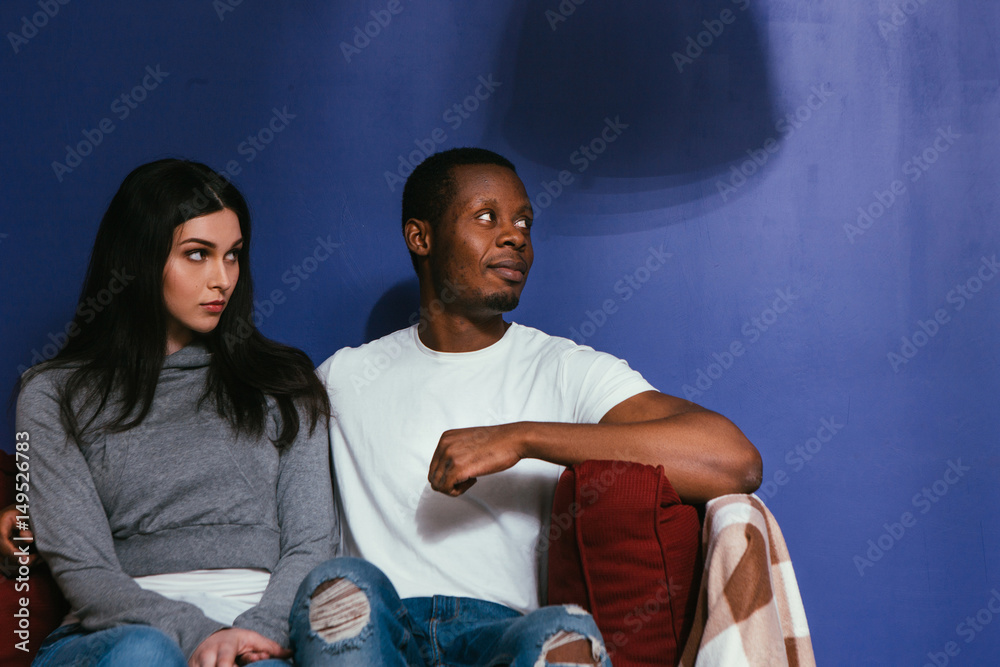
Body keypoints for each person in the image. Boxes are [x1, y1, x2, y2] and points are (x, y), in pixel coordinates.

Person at [290, 148, 763, 666]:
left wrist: (519, 437)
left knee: (564, 628)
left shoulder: (562, 368)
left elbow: (732, 460)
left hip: (505, 634)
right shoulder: (343, 378)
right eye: (487, 217)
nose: (515, 235)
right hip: (380, 631)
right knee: (338, 588)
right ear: (420, 238)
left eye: (524, 222)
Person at [4, 159, 337, 667]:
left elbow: (312, 544)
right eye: (198, 255)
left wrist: (251, 635)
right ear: (138, 258)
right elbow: (85, 571)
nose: (222, 279)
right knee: (146, 653)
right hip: (118, 632)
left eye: (233, 256)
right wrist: (199, 634)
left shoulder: (286, 382)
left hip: (260, 631)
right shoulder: (52, 393)